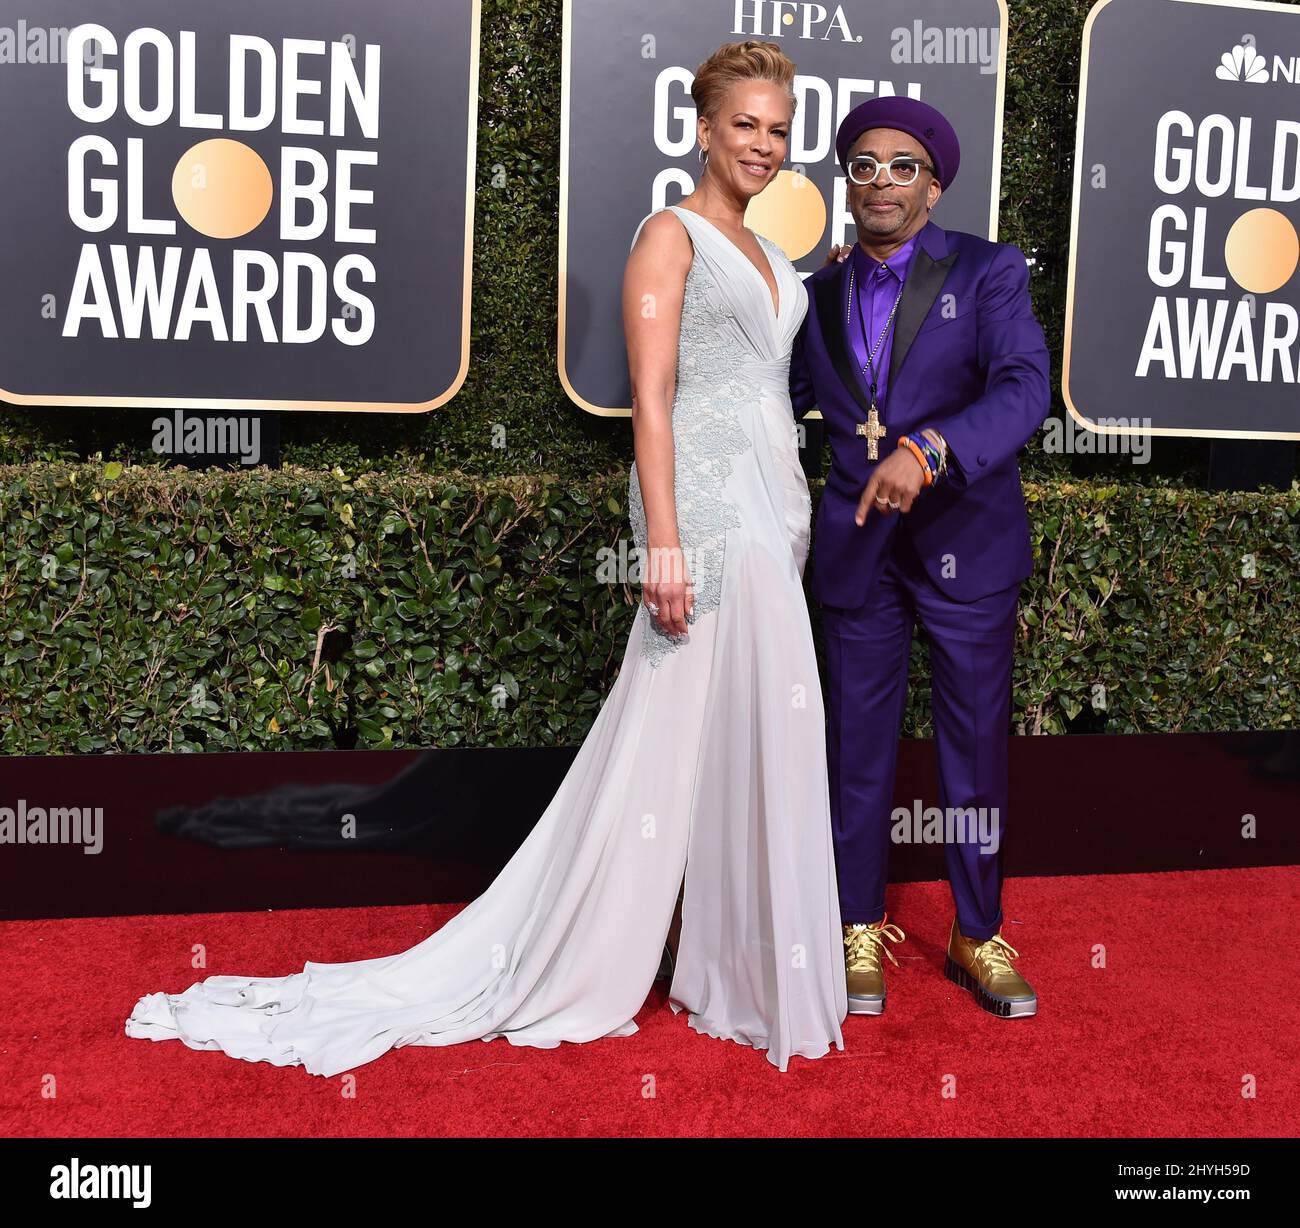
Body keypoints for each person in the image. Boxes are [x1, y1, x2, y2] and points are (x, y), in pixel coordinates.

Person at [123, 40, 848, 1077]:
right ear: (702, 128)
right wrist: (667, 542)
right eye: (746, 124)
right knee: (663, 741)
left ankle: (737, 969)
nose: (764, 145)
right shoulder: (667, 237)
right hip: (710, 523)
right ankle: (588, 950)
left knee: (755, 737)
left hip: (778, 514)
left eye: (779, 129)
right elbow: (650, 401)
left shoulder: (779, 260)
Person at [789, 96, 1051, 1019]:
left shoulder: (988, 271)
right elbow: (773, 406)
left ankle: (977, 932)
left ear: (933, 184)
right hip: (856, 550)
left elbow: (1027, 389)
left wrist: (930, 450)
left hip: (964, 546)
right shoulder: (812, 294)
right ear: (845, 181)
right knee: (854, 748)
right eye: (863, 164)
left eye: (902, 165)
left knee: (973, 750)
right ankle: (856, 924)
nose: (881, 181)